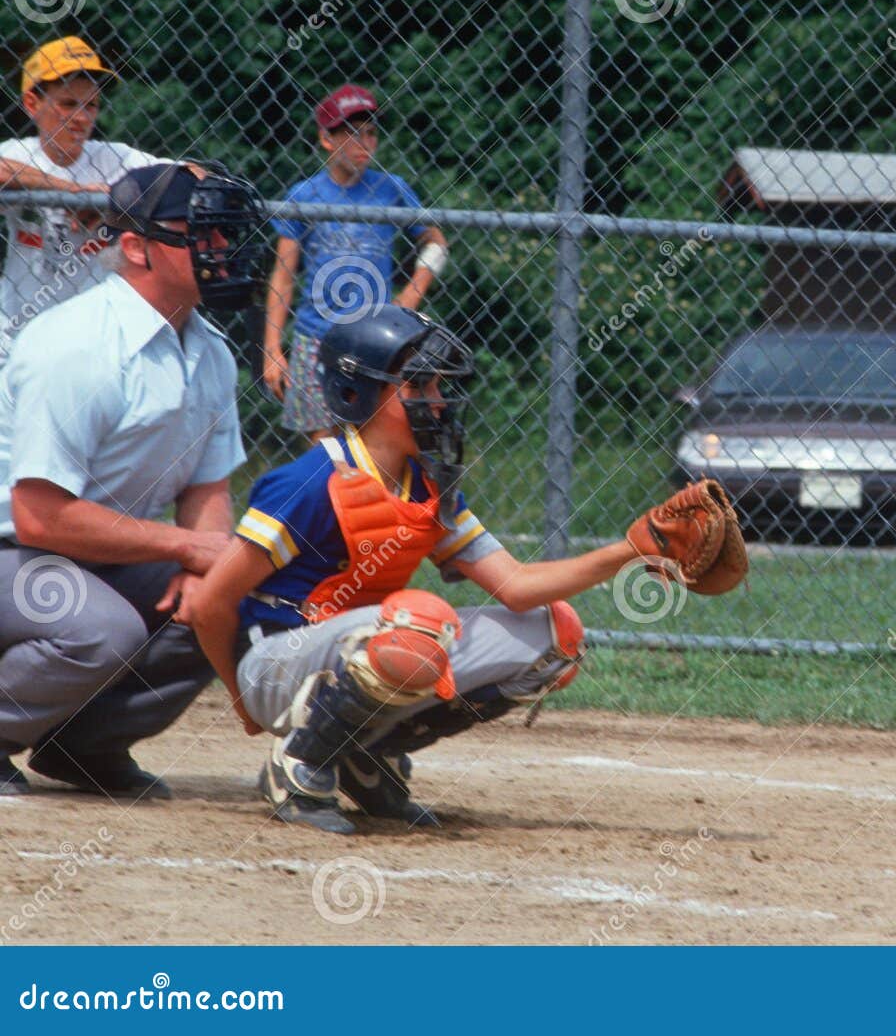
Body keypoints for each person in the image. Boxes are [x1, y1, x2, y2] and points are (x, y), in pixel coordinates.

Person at [181, 305, 745, 835]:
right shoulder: (308, 482)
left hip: (356, 651)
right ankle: (300, 765)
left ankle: (362, 754)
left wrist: (632, 548)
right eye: (417, 386)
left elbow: (518, 587)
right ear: (360, 392)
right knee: (419, 622)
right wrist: (242, 702)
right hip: (274, 664)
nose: (438, 401)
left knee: (553, 635)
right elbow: (210, 604)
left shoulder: (429, 488)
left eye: (438, 386)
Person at [0, 162, 268, 799]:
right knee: (101, 630)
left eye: (224, 234)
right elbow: (40, 517)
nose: (219, 249)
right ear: (134, 246)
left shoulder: (210, 352)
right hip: (15, 551)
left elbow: (206, 492)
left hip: (98, 556)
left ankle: (84, 750)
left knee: (229, 596)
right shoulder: (76, 345)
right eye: (198, 233)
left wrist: (207, 565)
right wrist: (179, 548)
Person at [263, 84, 448, 440]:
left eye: (370, 133)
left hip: (376, 341)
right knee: (325, 457)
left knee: (374, 446)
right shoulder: (304, 195)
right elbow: (283, 276)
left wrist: (411, 295)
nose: (364, 143)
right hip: (316, 336)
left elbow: (436, 242)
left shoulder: (391, 189)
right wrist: (272, 348)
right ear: (327, 139)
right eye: (351, 133)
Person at [0, 37, 180, 356]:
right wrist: (71, 192)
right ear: (32, 103)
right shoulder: (17, 153)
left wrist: (117, 200)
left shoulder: (114, 159)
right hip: (16, 333)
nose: (82, 118)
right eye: (68, 104)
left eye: (91, 105)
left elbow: (194, 176)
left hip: (92, 341)